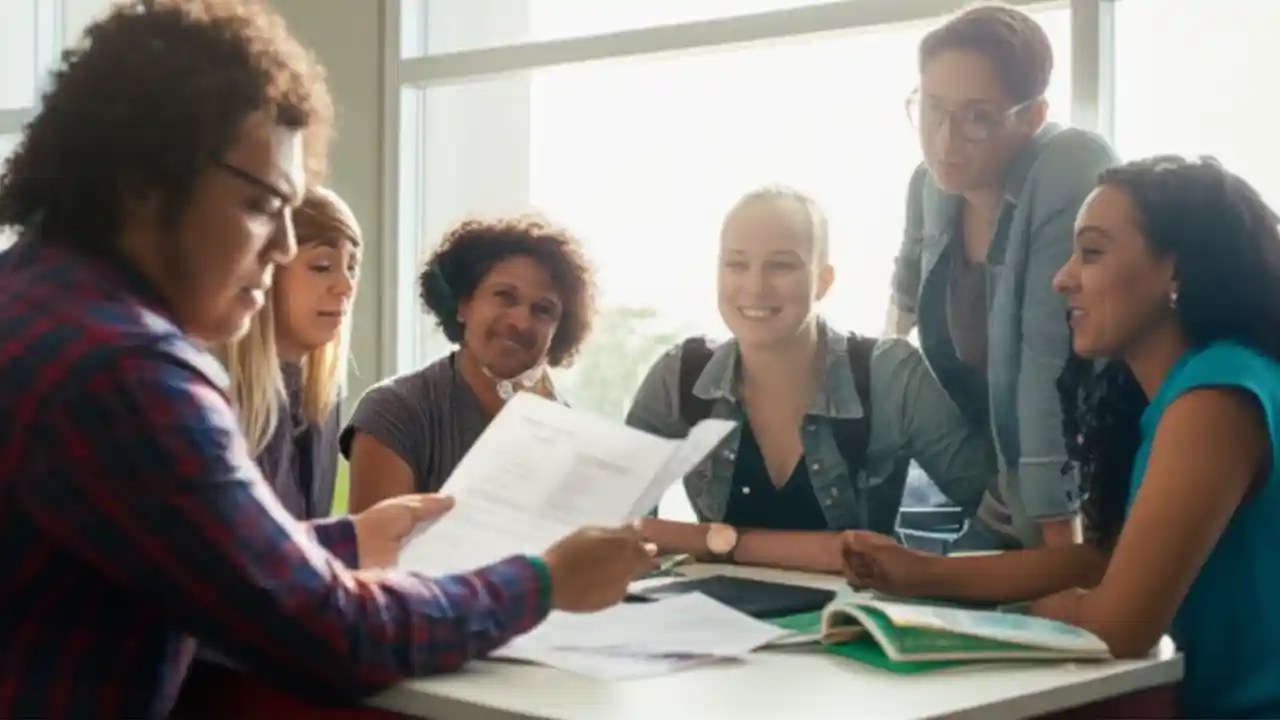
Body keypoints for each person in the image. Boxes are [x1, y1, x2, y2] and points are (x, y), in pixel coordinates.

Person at [0, 3, 653, 717]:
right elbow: (333, 635)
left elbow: (205, 553)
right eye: (261, 204)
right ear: (145, 182)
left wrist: (348, 537)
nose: (283, 246)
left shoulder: (33, 304)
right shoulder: (125, 369)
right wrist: (544, 581)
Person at [846, 156, 1280, 718]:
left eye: (1092, 253)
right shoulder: (1190, 392)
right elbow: (1102, 563)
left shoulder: (1216, 398)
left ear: (1177, 270)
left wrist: (1015, 616)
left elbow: (1119, 625)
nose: (1061, 277)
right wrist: (922, 573)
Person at [627, 186, 996, 573]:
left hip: (851, 623)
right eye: (736, 265)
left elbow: (995, 510)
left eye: (781, 266)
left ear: (823, 280)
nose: (755, 287)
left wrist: (938, 580)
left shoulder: (888, 374)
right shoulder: (681, 378)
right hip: (717, 622)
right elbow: (616, 528)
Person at [886, 3, 1120, 549]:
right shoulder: (929, 186)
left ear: (1033, 115)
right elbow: (896, 324)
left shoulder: (1067, 167)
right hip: (987, 477)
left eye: (977, 117)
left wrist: (1056, 547)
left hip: (1075, 482)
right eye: (933, 109)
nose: (945, 140)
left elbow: (1049, 359)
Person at [342, 215, 596, 511]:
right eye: (504, 296)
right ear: (464, 305)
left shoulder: (569, 434)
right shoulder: (396, 410)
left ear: (559, 330)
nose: (520, 321)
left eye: (543, 310)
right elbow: (375, 551)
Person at [215, 185, 359, 519]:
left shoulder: (324, 402)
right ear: (267, 270)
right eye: (323, 266)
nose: (346, 285)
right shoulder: (219, 399)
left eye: (351, 265)